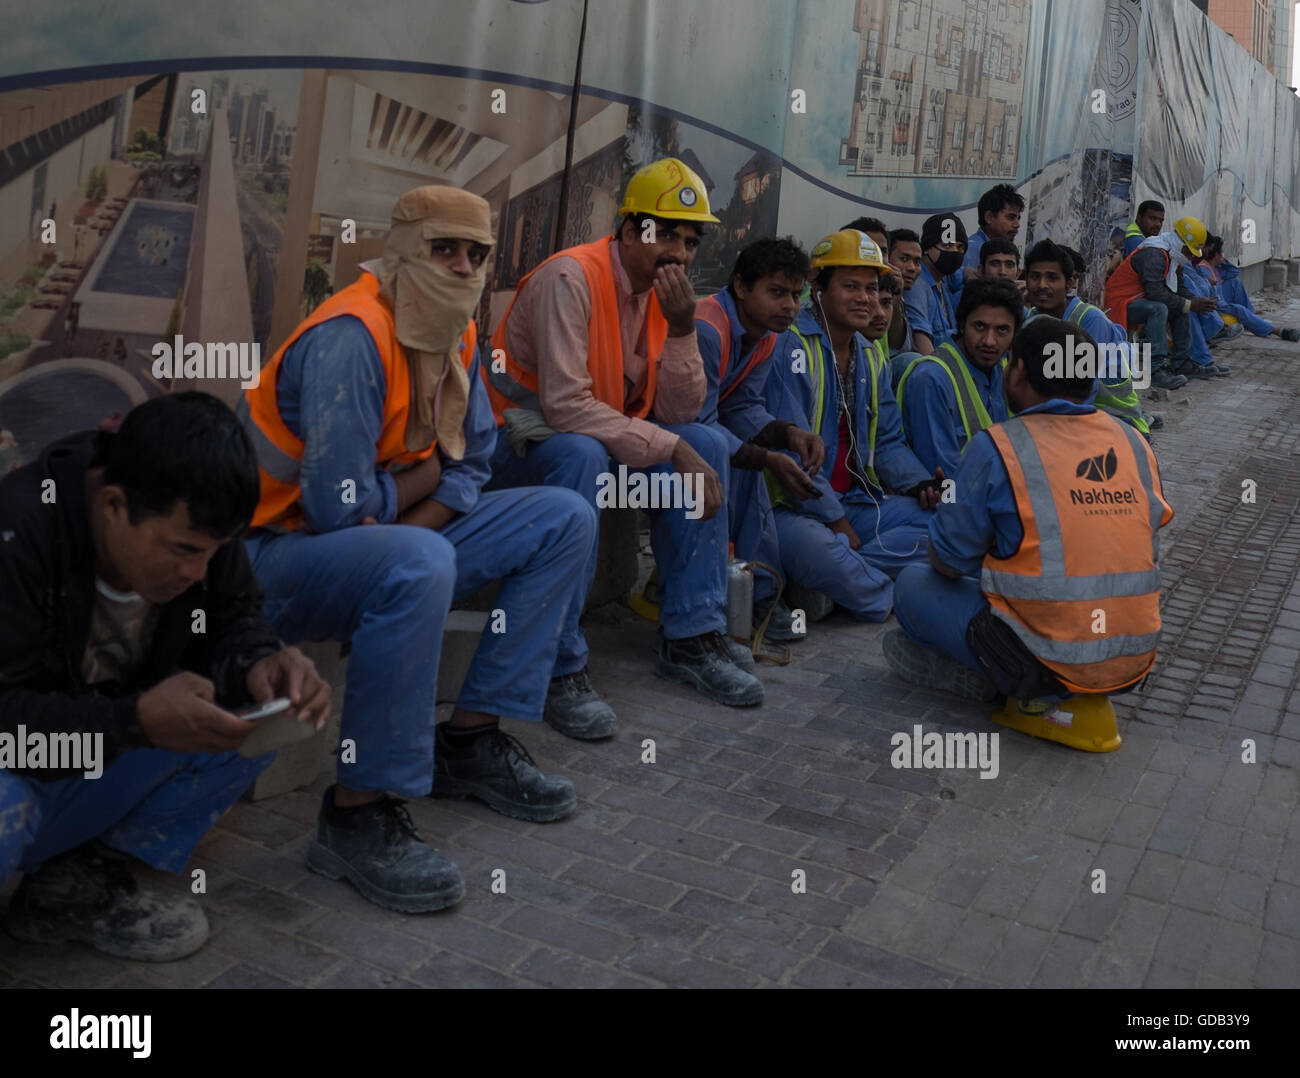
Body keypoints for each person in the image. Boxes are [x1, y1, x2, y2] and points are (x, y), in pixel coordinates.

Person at [240, 185, 594, 913]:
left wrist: (414, 506)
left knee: (563, 517)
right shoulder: (353, 336)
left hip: (393, 538)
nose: (462, 267)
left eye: (477, 253)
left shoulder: (456, 329)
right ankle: (356, 812)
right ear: (402, 250)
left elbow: (475, 463)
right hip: (277, 558)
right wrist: (423, 490)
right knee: (418, 560)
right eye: (444, 249)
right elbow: (337, 511)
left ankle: (470, 742)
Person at [0, 392, 331, 960]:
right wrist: (133, 723)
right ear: (113, 506)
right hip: (23, 761)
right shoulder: (21, 530)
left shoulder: (201, 531)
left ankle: (68, 883)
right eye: (181, 550)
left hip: (93, 749)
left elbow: (233, 616)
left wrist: (261, 662)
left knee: (254, 723)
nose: (194, 572)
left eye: (212, 552)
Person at [483, 158, 763, 708]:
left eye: (689, 241)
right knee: (582, 452)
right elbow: (566, 408)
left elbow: (682, 412)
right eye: (666, 235)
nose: (678, 254)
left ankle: (690, 635)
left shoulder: (666, 298)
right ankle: (558, 663)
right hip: (510, 452)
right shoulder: (571, 278)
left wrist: (683, 329)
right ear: (631, 231)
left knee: (704, 442)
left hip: (596, 446)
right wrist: (671, 446)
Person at [884, 317, 1173, 741]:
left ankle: (1007, 684)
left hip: (1044, 661)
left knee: (911, 584)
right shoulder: (1132, 441)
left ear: (1016, 372)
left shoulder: (998, 444)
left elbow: (947, 561)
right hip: (1133, 659)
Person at [763, 229, 941, 623]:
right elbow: (793, 454)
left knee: (947, 522)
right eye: (850, 286)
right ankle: (891, 593)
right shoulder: (791, 346)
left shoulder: (869, 353)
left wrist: (920, 484)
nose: (865, 298)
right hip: (792, 508)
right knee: (818, 548)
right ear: (819, 289)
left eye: (872, 288)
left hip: (860, 504)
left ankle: (836, 584)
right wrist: (834, 519)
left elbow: (890, 440)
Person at [694, 237, 820, 642]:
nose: (790, 306)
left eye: (796, 295)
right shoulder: (708, 328)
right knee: (745, 464)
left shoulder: (767, 335)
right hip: (657, 435)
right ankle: (732, 600)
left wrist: (790, 433)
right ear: (741, 287)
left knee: (751, 459)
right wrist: (767, 457)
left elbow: (744, 407)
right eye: (777, 292)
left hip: (700, 432)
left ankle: (757, 594)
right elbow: (697, 421)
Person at [1023, 239, 1151, 436]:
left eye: (1052, 278)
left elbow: (1085, 390)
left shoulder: (1089, 319)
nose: (1042, 285)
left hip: (1118, 423)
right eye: (1035, 277)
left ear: (1070, 283)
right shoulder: (1030, 319)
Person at [896, 277, 1021, 476]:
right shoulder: (931, 379)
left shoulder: (1006, 370)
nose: (990, 341)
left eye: (1002, 330)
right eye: (980, 327)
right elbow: (941, 477)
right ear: (962, 325)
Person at [1104, 215, 1227, 385]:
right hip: (1121, 302)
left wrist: (1196, 302)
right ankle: (1154, 370)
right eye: (1189, 252)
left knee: (1180, 308)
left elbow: (1179, 289)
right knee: (1159, 308)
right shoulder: (1155, 254)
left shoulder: (1173, 255)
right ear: (1182, 244)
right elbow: (1155, 293)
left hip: (1138, 298)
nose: (1191, 257)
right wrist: (1190, 304)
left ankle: (1182, 363)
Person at [1191, 234, 1299, 342]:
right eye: (1221, 253)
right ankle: (1278, 331)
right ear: (1216, 255)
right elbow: (1212, 298)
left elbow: (1234, 272)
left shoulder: (1214, 267)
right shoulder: (1204, 268)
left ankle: (1250, 315)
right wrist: (1234, 308)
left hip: (1219, 297)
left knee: (1235, 282)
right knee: (1239, 309)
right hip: (1215, 304)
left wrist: (1222, 261)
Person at [904, 213, 967, 356]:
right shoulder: (917, 284)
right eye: (947, 245)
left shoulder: (944, 277)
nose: (955, 252)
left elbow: (964, 273)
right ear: (926, 248)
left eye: (960, 247)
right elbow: (920, 338)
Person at [957, 184, 1025, 293]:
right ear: (989, 217)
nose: (1017, 224)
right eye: (1011, 217)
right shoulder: (971, 250)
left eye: (1018, 218)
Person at [886, 228, 924, 385]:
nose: (912, 268)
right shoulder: (869, 296)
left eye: (917, 262)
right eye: (904, 259)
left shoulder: (904, 296)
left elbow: (897, 345)